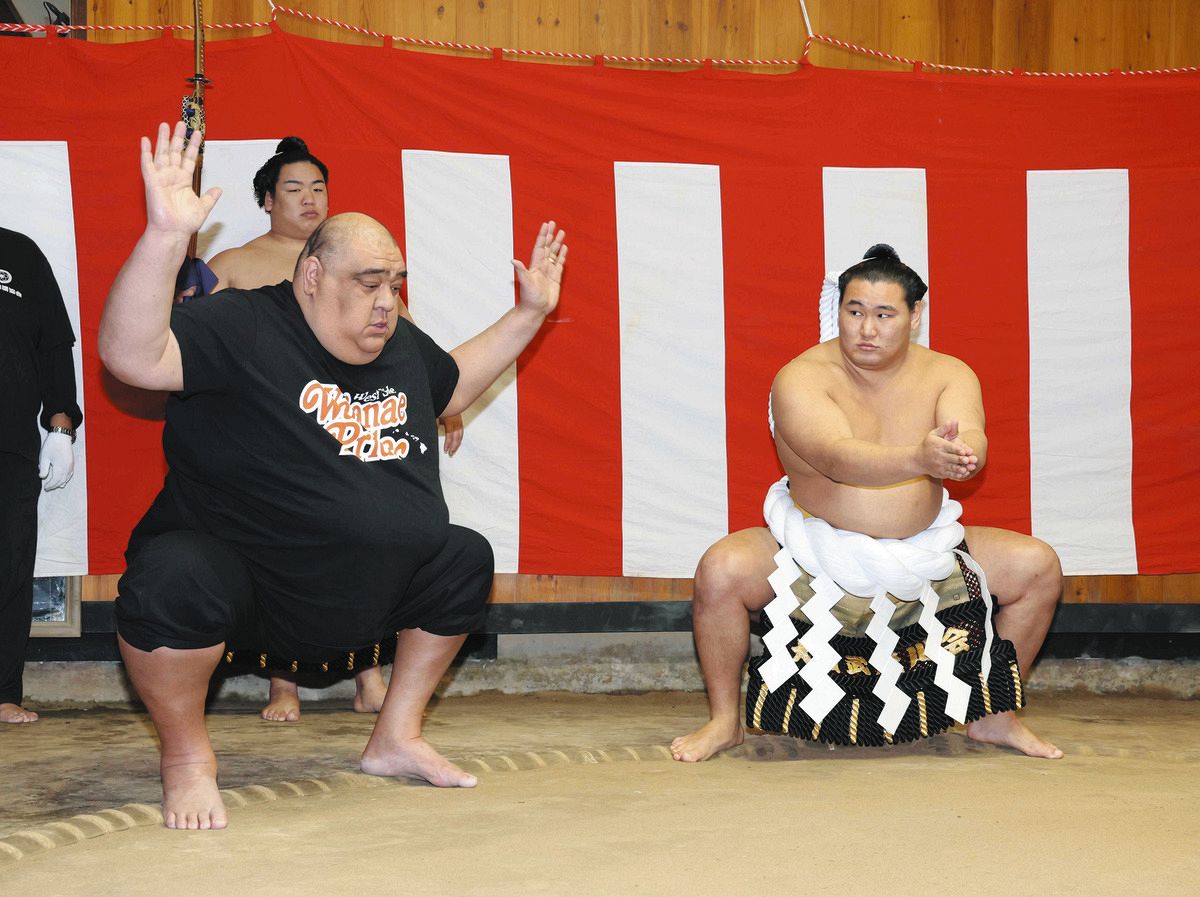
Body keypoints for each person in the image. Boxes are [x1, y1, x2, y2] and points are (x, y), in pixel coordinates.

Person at [97, 122, 567, 829]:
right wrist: (165, 235)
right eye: (368, 283)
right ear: (312, 275)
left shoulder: (399, 342)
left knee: (464, 556)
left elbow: (452, 385)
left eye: (395, 283)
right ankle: (189, 759)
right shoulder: (245, 326)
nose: (387, 300)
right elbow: (133, 357)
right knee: (170, 580)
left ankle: (395, 735)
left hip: (364, 598)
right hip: (250, 590)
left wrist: (529, 313)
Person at [671, 244, 1063, 763]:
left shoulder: (948, 372)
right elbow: (839, 458)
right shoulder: (803, 376)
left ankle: (993, 717)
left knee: (1038, 566)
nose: (866, 329)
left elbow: (970, 432)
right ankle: (725, 721)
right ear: (839, 310)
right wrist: (921, 458)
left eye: (884, 315)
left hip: (926, 548)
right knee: (719, 571)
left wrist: (963, 454)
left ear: (915, 315)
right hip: (812, 547)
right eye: (854, 312)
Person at [209, 137, 464, 721]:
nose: (308, 199)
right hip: (277, 439)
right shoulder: (236, 267)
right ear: (267, 200)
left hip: (356, 429)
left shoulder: (364, 270)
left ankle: (369, 671)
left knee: (368, 539)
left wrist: (442, 401)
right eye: (293, 189)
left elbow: (407, 347)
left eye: (318, 187)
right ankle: (283, 684)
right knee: (286, 550)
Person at [0, 226, 82, 724]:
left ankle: (3, 691)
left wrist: (61, 425)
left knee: (8, 569)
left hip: (8, 443)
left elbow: (54, 344)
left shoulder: (19, 252)